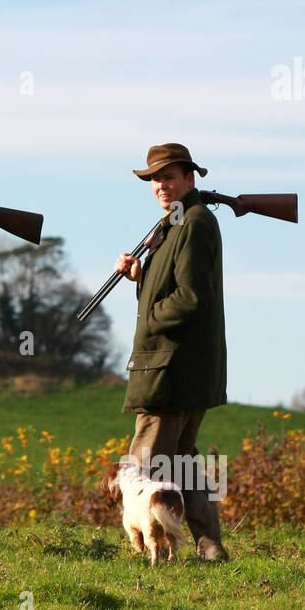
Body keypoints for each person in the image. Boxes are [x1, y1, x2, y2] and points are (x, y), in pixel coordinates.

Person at [114, 142, 229, 561]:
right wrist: (141, 278)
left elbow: (190, 298)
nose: (161, 186)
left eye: (169, 177)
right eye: (155, 180)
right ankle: (209, 544)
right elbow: (175, 295)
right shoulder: (177, 223)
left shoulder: (193, 223)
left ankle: (154, 547)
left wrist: (147, 315)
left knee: (144, 467)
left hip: (171, 369)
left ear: (189, 179)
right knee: (183, 463)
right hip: (180, 367)